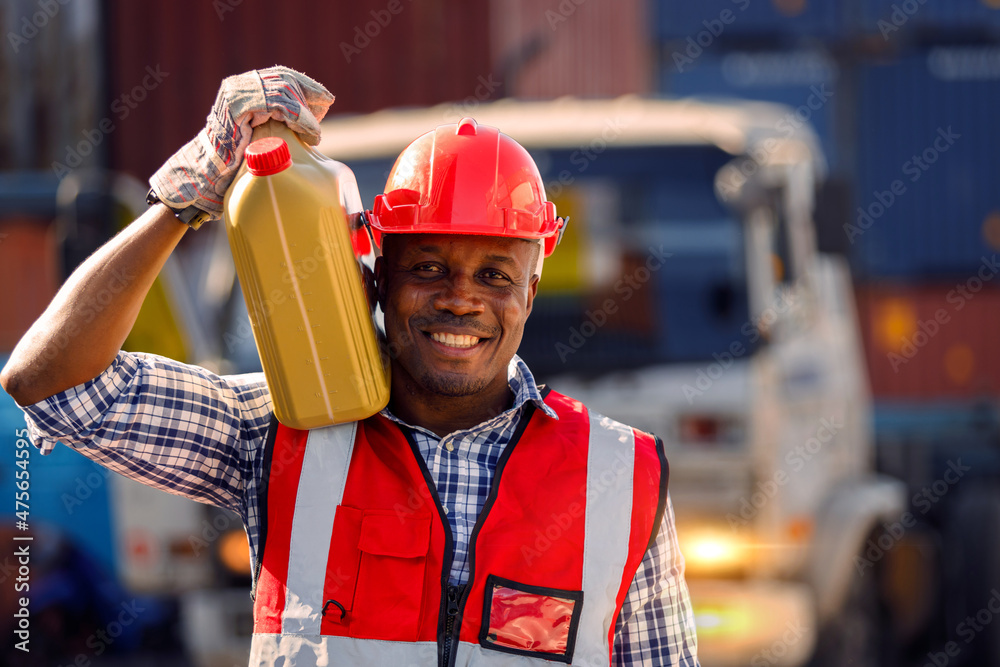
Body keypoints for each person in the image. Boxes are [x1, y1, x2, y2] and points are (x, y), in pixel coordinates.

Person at [1, 67, 699, 667]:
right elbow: (49, 381)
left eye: (493, 274)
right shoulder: (278, 433)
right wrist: (185, 199)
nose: (461, 298)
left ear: (530, 291)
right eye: (428, 267)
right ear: (374, 276)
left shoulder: (620, 474)